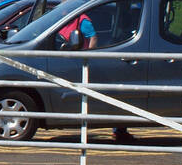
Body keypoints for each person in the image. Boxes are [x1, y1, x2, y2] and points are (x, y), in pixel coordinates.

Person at [58, 9, 135, 145]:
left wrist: (88, 55)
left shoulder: (82, 21)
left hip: (82, 63)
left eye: (64, 10)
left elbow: (93, 37)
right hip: (70, 62)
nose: (62, 12)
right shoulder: (65, 21)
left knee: (97, 95)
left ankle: (119, 129)